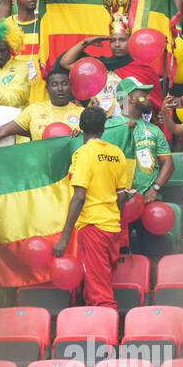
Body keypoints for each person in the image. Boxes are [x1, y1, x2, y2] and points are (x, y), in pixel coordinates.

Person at [53, 106, 131, 309]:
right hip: (112, 227)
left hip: (93, 226)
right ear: (103, 128)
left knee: (100, 293)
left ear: (81, 126)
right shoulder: (117, 153)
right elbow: (122, 195)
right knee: (96, 284)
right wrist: (116, 221)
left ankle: (107, 336)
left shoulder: (83, 154)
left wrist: (64, 238)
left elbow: (79, 197)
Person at [107, 78, 173, 207]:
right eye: (143, 95)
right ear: (131, 98)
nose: (148, 98)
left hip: (149, 201)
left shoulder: (154, 130)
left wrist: (155, 188)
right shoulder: (109, 127)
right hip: (117, 201)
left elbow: (168, 163)